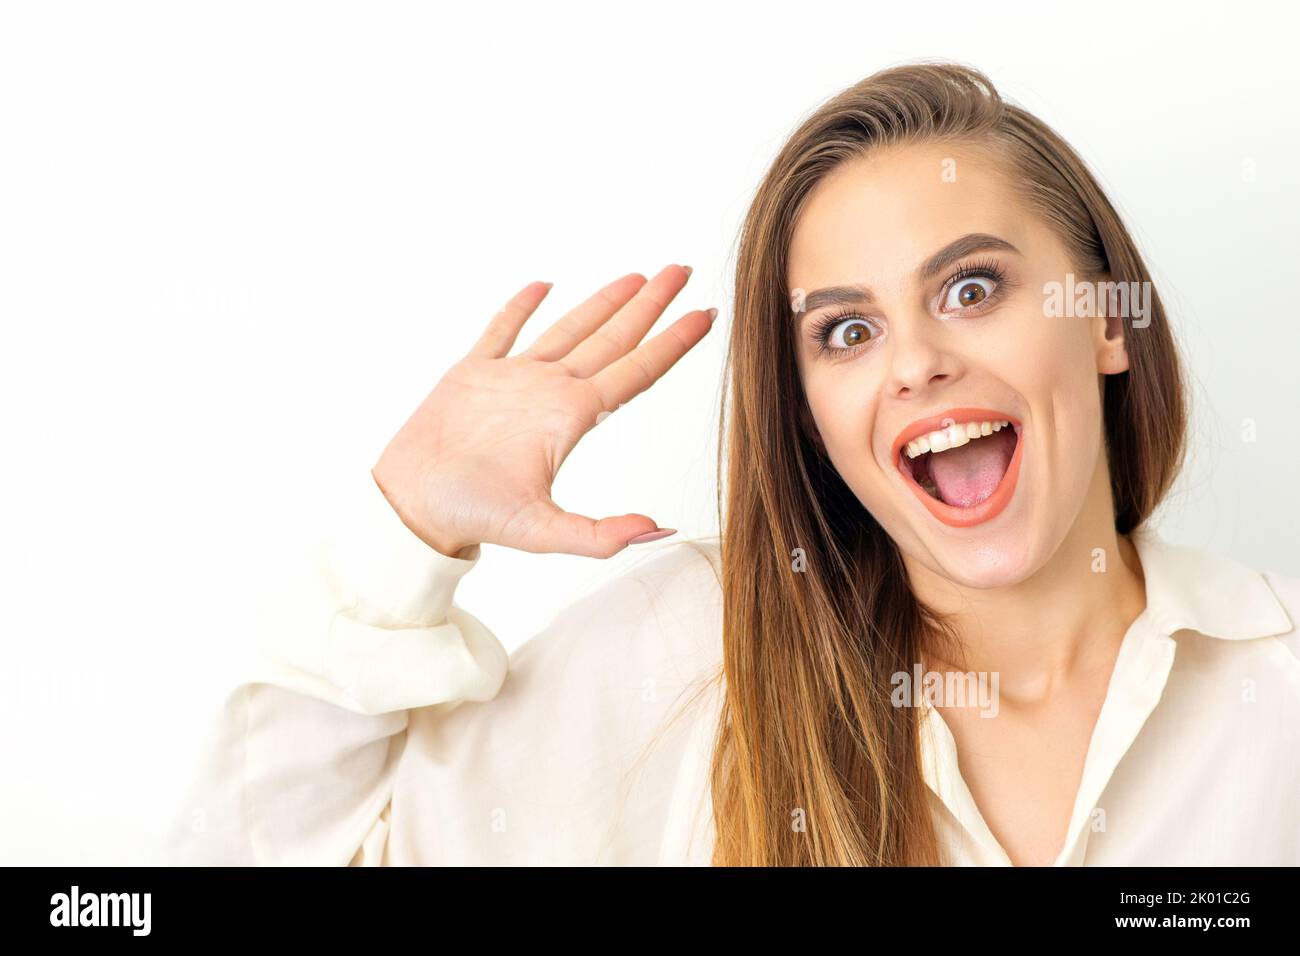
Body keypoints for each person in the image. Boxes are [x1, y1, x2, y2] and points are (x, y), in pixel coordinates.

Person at [162, 61, 1300, 867]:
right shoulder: (691, 651)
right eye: (846, 330)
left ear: (1103, 319)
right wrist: (405, 526)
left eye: (970, 287)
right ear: (808, 409)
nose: (915, 364)